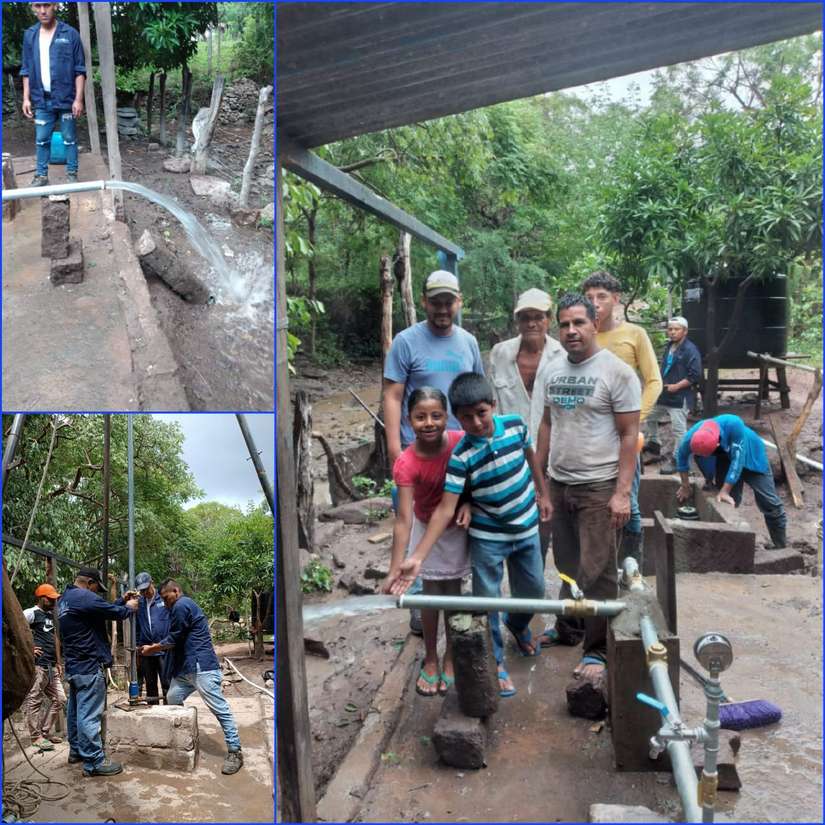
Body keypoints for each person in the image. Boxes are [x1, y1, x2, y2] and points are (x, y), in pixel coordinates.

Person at [390, 372, 551, 698]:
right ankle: (491, 661)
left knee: (533, 589)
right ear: (458, 419)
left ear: (493, 405)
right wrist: (413, 557)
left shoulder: (516, 426)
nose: (476, 423)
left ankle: (517, 625)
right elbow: (435, 510)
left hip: (522, 526)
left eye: (482, 412)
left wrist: (543, 493)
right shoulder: (458, 454)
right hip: (482, 535)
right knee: (481, 600)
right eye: (467, 417)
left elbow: (532, 458)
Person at [534, 293, 641, 681]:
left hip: (599, 486)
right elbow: (547, 424)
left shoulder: (617, 372)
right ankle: (569, 628)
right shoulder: (552, 369)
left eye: (579, 322)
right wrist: (542, 484)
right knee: (565, 565)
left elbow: (630, 435)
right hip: (561, 484)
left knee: (598, 571)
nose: (571, 330)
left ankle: (597, 650)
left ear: (595, 324)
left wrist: (622, 492)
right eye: (564, 324)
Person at [383, 269, 484, 633]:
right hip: (418, 452)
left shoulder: (468, 342)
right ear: (424, 301)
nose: (443, 309)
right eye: (436, 302)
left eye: (449, 302)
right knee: (413, 522)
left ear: (458, 303)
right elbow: (394, 394)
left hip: (461, 453)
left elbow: (479, 394)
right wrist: (396, 446)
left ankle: (456, 595)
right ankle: (418, 597)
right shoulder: (406, 342)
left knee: (457, 521)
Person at [381, 388, 471, 697]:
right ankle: (431, 658)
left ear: (447, 417)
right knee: (431, 595)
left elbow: (476, 478)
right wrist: (395, 568)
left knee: (454, 593)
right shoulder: (407, 462)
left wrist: (469, 504)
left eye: (436, 415)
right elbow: (403, 519)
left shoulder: (461, 442)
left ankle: (451, 657)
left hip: (456, 527)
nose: (429, 422)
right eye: (420, 417)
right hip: (424, 526)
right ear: (409, 421)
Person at [581, 271, 662, 563]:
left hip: (626, 435)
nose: (595, 303)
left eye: (601, 296)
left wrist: (635, 419)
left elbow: (654, 380)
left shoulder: (634, 334)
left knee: (629, 499)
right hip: (589, 436)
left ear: (616, 299)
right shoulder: (581, 334)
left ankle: (632, 565)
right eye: (589, 297)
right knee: (593, 500)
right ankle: (602, 566)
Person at [139, 580, 243, 775]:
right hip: (186, 669)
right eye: (161, 598)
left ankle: (235, 751)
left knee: (220, 709)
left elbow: (173, 638)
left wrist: (152, 648)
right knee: (173, 698)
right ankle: (182, 735)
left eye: (166, 597)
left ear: (176, 591)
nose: (164, 601)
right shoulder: (176, 607)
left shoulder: (181, 604)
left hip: (200, 666)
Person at [489, 287, 563, 559]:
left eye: (538, 316)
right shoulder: (500, 353)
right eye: (525, 317)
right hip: (509, 457)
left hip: (552, 458)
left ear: (549, 319)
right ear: (517, 320)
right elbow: (493, 407)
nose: (531, 323)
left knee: (545, 519)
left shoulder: (563, 355)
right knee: (508, 521)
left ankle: (536, 579)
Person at [58, 567, 138, 776]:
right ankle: (94, 761)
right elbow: (116, 613)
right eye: (96, 589)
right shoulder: (84, 596)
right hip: (89, 666)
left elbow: (102, 610)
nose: (95, 593)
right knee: (89, 716)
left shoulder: (65, 599)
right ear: (90, 583)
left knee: (75, 712)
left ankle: (76, 751)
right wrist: (128, 607)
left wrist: (121, 600)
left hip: (74, 667)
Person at [675, 415, 788, 548]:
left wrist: (724, 490)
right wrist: (685, 485)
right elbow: (681, 457)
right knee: (727, 502)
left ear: (717, 443)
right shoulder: (691, 437)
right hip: (725, 459)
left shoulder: (733, 424)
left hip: (752, 455)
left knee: (769, 503)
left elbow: (738, 460)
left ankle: (780, 546)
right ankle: (728, 545)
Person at [20, 3, 86, 186]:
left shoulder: (70, 34)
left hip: (66, 99)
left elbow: (80, 70)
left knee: (69, 138)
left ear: (55, 5)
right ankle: (41, 176)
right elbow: (25, 69)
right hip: (41, 99)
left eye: (47, 5)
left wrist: (78, 99)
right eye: (37, 6)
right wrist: (26, 98)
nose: (42, 10)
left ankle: (72, 174)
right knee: (41, 139)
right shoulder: (30, 36)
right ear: (32, 7)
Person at [644, 317, 702, 474]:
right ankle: (654, 443)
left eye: (677, 329)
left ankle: (678, 460)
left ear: (685, 331)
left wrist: (677, 386)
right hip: (664, 393)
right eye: (670, 329)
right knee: (649, 416)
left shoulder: (691, 350)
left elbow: (695, 375)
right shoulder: (669, 346)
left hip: (679, 396)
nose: (673, 332)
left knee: (679, 430)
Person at [22, 583, 66, 751]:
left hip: (51, 666)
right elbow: (17, 630)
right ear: (42, 599)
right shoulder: (30, 613)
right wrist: (29, 648)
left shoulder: (49, 615)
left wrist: (58, 661)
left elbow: (55, 639)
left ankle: (45, 733)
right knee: (35, 700)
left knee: (60, 699)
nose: (54, 602)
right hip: (38, 666)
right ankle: (35, 737)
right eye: (51, 599)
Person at [122, 572, 171, 704]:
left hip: (163, 648)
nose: (145, 593)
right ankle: (154, 713)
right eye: (142, 590)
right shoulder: (140, 603)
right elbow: (137, 626)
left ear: (152, 582)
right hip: (146, 650)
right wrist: (138, 646)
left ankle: (170, 712)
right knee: (150, 686)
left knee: (168, 684)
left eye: (146, 589)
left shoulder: (163, 599)